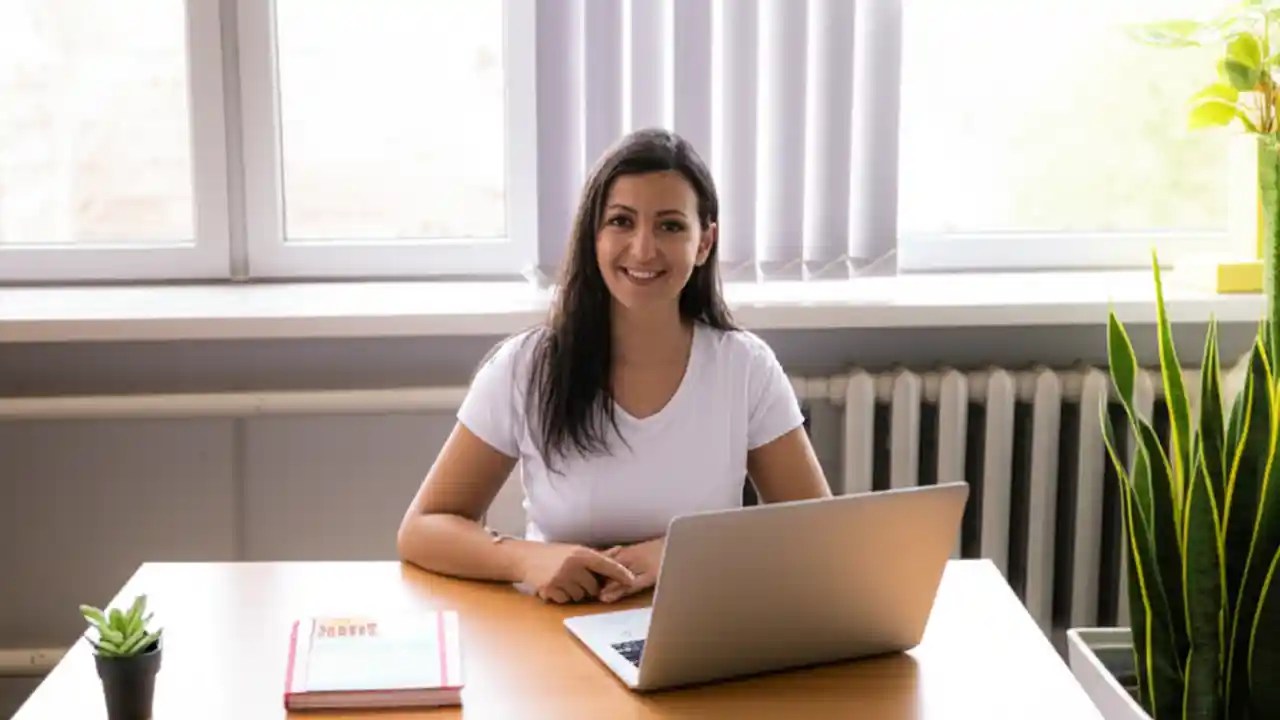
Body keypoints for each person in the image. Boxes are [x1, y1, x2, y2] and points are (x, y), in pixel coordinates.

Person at [396, 128, 831, 605]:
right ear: (593, 235)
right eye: (622, 222)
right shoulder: (526, 367)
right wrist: (526, 559)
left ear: (704, 242)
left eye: (670, 226)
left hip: (701, 629)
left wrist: (677, 553)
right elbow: (422, 529)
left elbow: (816, 533)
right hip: (557, 631)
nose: (643, 249)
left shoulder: (745, 368)